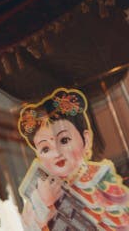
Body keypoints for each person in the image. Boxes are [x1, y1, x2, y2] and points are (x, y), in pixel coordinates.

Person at [18, 88, 129, 230]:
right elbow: (29, 226)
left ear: (86, 140)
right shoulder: (40, 191)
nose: (57, 153)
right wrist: (44, 203)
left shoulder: (99, 178)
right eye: (45, 149)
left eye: (64, 140)